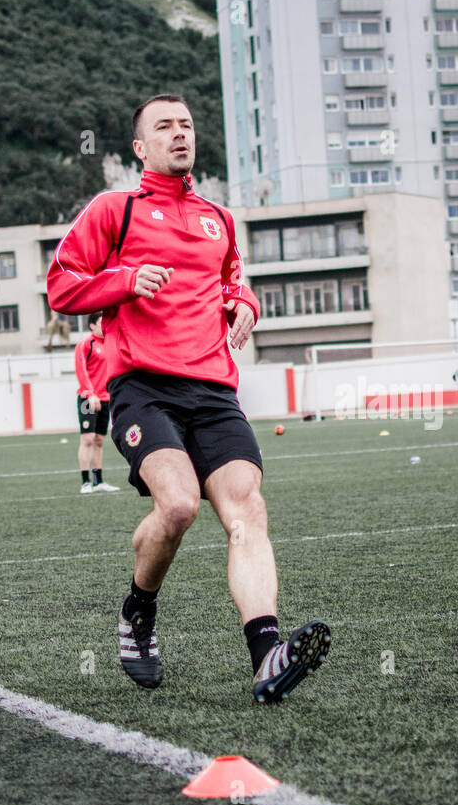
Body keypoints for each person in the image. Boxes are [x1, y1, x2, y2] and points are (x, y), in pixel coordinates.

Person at [47, 94, 330, 702]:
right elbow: (61, 286)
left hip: (213, 390)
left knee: (246, 508)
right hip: (143, 388)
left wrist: (245, 304)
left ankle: (267, 654)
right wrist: (123, 281)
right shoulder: (112, 210)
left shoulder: (218, 219)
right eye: (164, 127)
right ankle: (139, 610)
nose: (180, 134)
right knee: (178, 506)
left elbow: (231, 279)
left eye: (187, 125)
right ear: (140, 147)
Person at [74, 313, 121, 493]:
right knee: (87, 439)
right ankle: (86, 482)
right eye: (102, 322)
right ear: (92, 326)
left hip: (106, 399)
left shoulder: (111, 343)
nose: (105, 325)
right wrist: (91, 394)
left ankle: (98, 481)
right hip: (88, 398)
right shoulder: (86, 344)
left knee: (99, 440)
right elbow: (81, 370)